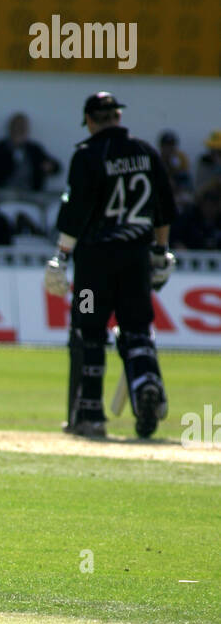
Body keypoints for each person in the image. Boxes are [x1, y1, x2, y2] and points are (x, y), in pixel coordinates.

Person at [44, 91, 176, 441]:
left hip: (94, 265)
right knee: (136, 329)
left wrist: (61, 256)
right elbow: (164, 208)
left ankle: (90, 415)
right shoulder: (146, 153)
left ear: (89, 121)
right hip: (136, 260)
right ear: (118, 117)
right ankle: (145, 382)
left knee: (88, 331)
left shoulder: (88, 155)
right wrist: (161, 251)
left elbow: (75, 212)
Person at [0, 113, 60, 195]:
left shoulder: (34, 149)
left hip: (30, 192)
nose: (19, 130)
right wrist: (14, 146)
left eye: (22, 127)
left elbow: (56, 167)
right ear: (10, 128)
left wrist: (50, 166)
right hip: (5, 191)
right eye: (17, 127)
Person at [170, 181, 221, 251]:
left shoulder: (218, 221)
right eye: (209, 204)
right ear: (202, 203)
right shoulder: (188, 217)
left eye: (215, 205)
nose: (211, 209)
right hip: (188, 255)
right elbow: (174, 238)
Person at [157, 130, 193, 205]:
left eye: (172, 145)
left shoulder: (180, 158)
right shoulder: (157, 159)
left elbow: (186, 178)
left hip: (179, 191)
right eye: (166, 145)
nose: (169, 148)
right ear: (161, 146)